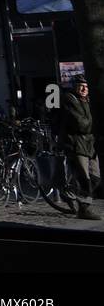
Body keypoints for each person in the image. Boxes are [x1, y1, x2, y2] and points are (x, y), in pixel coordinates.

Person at [61, 75, 100, 220]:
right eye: (81, 85)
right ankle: (84, 209)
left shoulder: (88, 100)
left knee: (95, 177)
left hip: (90, 143)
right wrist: (95, 125)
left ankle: (69, 192)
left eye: (87, 86)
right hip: (76, 142)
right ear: (74, 86)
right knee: (84, 178)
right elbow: (80, 123)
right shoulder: (70, 99)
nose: (84, 89)